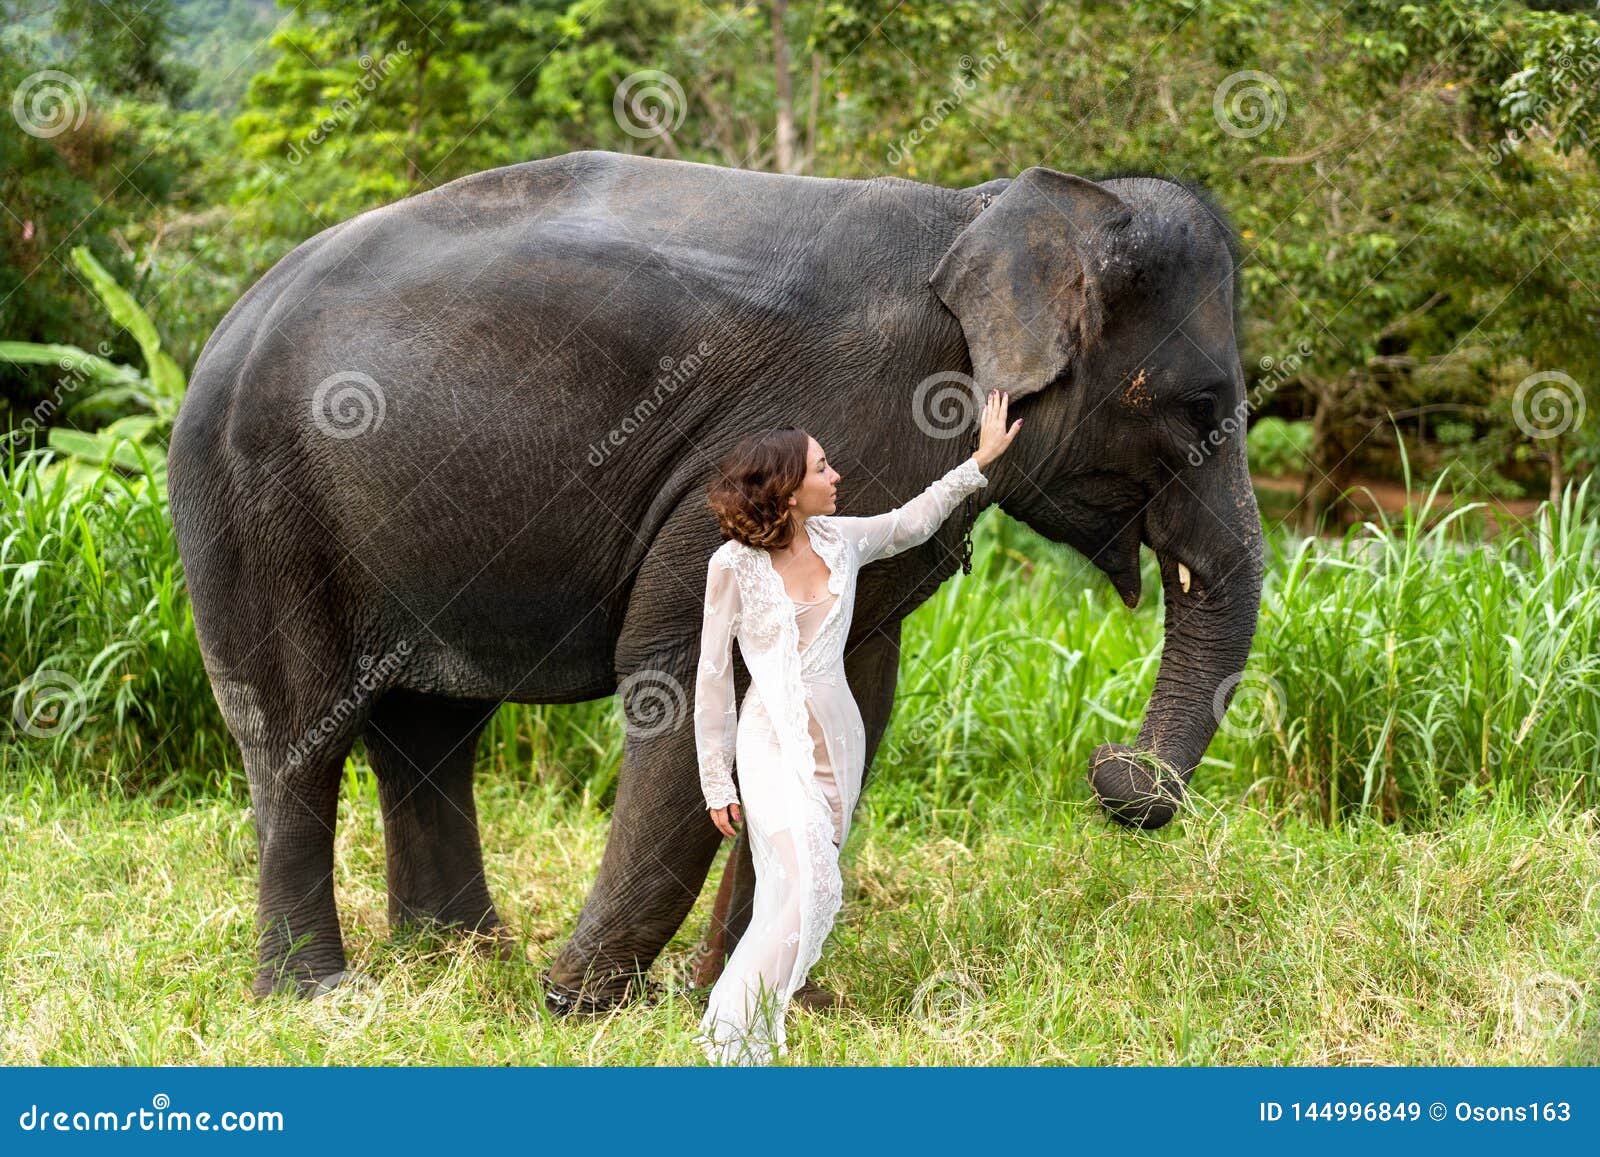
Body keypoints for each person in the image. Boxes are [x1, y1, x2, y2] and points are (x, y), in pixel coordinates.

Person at [690, 389, 1022, 1065]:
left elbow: (911, 522)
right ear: (788, 489)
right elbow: (713, 677)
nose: (836, 475)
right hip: (769, 745)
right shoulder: (732, 566)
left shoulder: (841, 542)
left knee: (797, 895)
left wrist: (980, 461)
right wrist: (715, 779)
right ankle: (729, 1036)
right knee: (810, 886)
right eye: (822, 467)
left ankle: (752, 1025)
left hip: (838, 744)